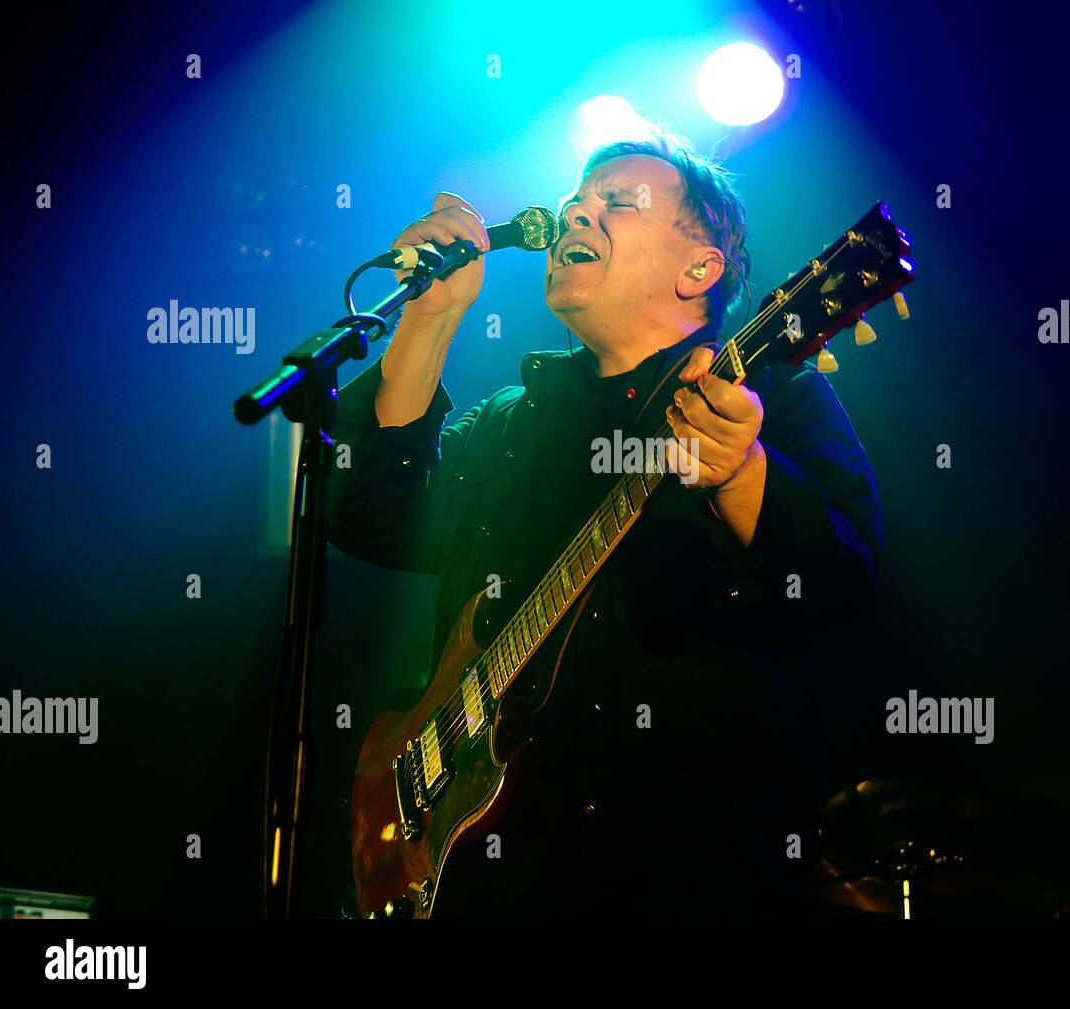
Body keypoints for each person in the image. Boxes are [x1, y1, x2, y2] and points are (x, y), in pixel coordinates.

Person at [326, 135, 882, 915]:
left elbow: (844, 582)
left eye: (617, 202)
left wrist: (744, 473)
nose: (575, 210)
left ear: (699, 269)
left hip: (686, 875)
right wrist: (430, 321)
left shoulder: (771, 398)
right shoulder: (509, 424)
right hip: (488, 880)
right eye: (574, 202)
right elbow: (367, 517)